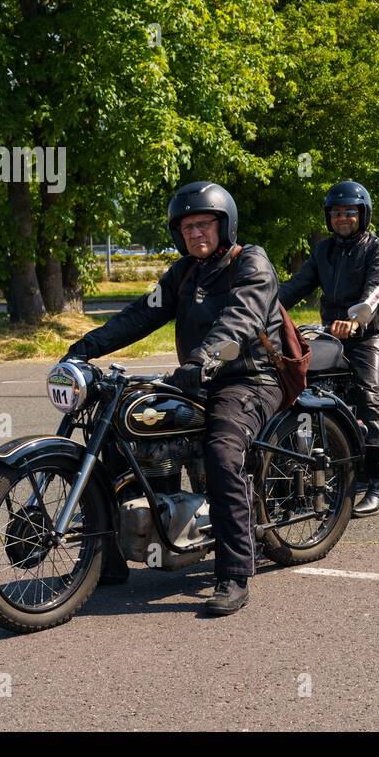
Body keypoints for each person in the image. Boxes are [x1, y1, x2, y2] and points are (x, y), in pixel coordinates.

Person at [62, 180, 286, 615]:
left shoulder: (252, 263)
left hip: (250, 378)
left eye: (204, 224)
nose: (195, 233)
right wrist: (86, 347)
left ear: (225, 225)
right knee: (117, 434)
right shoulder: (183, 272)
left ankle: (234, 571)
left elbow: (241, 320)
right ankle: (104, 558)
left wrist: (202, 360)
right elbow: (140, 315)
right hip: (198, 376)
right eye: (186, 227)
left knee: (223, 451)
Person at [279, 180, 379, 517]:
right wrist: (262, 308)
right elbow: (296, 286)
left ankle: (378, 484)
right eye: (336, 213)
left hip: (369, 332)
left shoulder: (378, 248)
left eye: (349, 212)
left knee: (368, 395)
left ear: (363, 214)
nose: (343, 218)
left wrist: (358, 318)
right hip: (331, 332)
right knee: (298, 382)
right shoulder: (323, 251)